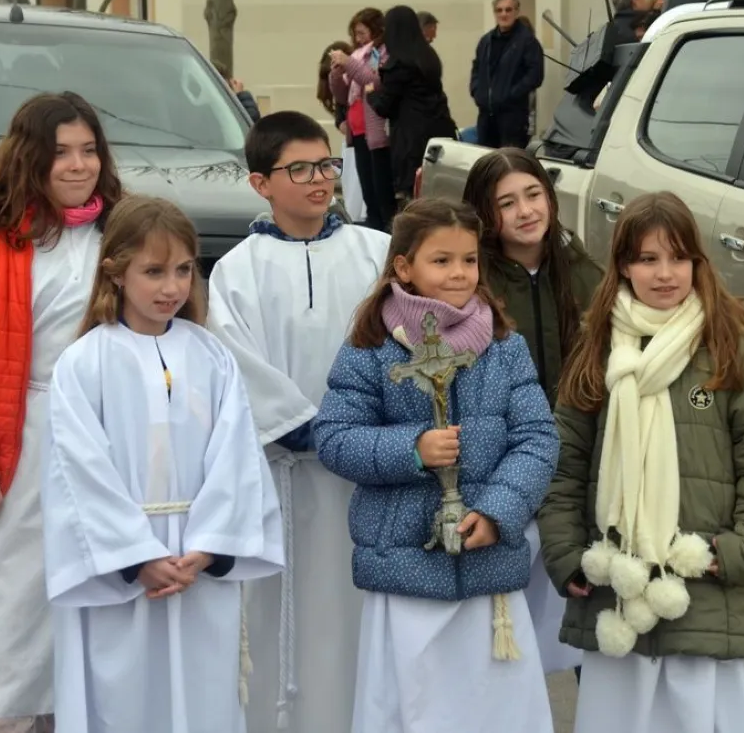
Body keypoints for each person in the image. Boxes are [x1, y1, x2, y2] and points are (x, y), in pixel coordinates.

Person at [537, 191, 744, 733]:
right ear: (623, 265)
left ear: (697, 263)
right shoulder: (597, 347)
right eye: (648, 259)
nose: (665, 274)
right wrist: (565, 554)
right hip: (616, 588)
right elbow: (564, 463)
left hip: (701, 580)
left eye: (678, 258)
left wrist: (740, 549)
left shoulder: (730, 346)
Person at [313, 197, 559, 733]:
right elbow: (332, 437)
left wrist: (497, 511)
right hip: (405, 568)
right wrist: (413, 448)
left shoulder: (503, 346)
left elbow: (538, 437)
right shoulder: (372, 348)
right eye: (441, 260)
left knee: (490, 709)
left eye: (468, 260)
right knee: (414, 708)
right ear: (404, 266)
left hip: (488, 565)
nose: (459, 274)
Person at [40, 194, 284, 733]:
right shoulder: (85, 363)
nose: (172, 287)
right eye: (153, 272)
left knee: (204, 700)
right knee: (126, 701)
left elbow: (237, 454)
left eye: (183, 270)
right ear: (116, 273)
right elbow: (78, 473)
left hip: (199, 566)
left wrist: (207, 550)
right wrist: (135, 557)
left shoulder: (212, 355)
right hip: (124, 576)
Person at [0, 91, 123, 733]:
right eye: (61, 152)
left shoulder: (123, 236)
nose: (78, 166)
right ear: (29, 160)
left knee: (102, 598)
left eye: (89, 150)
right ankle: (8, 721)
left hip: (111, 442)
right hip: (24, 447)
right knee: (15, 604)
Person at [206, 110, 391, 733]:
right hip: (284, 478)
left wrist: (361, 437)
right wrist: (303, 428)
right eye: (301, 168)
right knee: (283, 616)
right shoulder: (238, 269)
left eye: (328, 165)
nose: (320, 180)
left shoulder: (376, 252)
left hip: (366, 476)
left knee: (360, 613)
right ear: (261, 183)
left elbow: (399, 343)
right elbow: (234, 359)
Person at [462, 147, 604, 676]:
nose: (525, 211)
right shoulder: (476, 286)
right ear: (484, 215)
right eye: (506, 202)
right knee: (507, 624)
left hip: (576, 467)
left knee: (586, 610)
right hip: (508, 470)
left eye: (533, 194)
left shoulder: (583, 272)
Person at [366, 5, 456, 209]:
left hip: (410, 138)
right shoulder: (428, 56)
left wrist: (371, 93)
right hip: (439, 130)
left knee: (412, 196)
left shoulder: (398, 64)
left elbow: (384, 106)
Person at [330, 8, 397, 232]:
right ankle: (374, 226)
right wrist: (337, 73)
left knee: (380, 190)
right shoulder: (358, 56)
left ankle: (386, 231)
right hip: (357, 129)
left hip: (376, 129)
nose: (358, 39)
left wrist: (349, 62)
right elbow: (341, 95)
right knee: (367, 188)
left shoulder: (383, 53)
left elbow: (373, 80)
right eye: (355, 34)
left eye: (362, 33)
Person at [470, 0, 543, 149]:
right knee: (485, 163)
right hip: (486, 116)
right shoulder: (486, 41)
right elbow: (476, 69)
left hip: (513, 117)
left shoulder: (527, 42)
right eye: (499, 10)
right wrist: (476, 91)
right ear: (494, 13)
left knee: (510, 164)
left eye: (508, 10)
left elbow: (535, 75)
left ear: (516, 12)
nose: (504, 14)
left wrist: (510, 95)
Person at [317, 39, 365, 224]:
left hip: (359, 144)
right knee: (354, 200)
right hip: (352, 145)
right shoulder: (340, 94)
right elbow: (341, 120)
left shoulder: (358, 82)